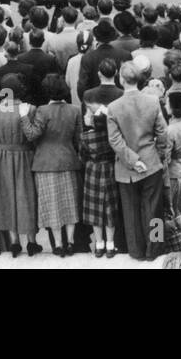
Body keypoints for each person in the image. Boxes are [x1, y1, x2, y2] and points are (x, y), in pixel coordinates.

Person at [106, 61, 168, 261]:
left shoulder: (114, 108)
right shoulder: (152, 101)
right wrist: (158, 154)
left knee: (131, 212)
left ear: (121, 80)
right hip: (151, 162)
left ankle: (136, 251)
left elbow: (115, 140)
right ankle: (155, 248)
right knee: (154, 210)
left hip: (126, 167)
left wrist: (132, 160)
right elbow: (163, 132)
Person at [23, 74, 82, 256]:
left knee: (53, 206)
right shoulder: (74, 110)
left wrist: (24, 118)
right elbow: (79, 139)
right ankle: (71, 242)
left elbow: (32, 135)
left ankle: (57, 244)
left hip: (45, 162)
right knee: (70, 204)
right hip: (68, 160)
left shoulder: (42, 111)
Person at [0, 75, 39, 257]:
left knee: (6, 196)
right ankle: (32, 242)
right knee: (27, 196)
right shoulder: (30, 109)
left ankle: (14, 241)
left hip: (2, 157)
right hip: (25, 156)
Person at [79, 90, 121, 258]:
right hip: (110, 170)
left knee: (95, 210)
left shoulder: (85, 137)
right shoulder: (111, 135)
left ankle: (99, 244)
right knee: (109, 208)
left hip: (93, 171)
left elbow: (82, 157)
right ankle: (111, 245)